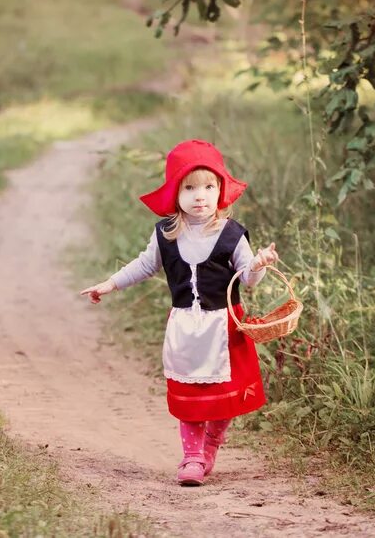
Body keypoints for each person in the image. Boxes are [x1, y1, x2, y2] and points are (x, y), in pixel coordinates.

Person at [80, 139, 279, 486]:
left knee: (226, 398)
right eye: (190, 188)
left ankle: (212, 442)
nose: (200, 196)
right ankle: (192, 457)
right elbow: (145, 265)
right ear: (175, 193)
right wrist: (110, 284)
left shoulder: (232, 235)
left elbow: (248, 278)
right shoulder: (166, 234)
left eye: (208, 187)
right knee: (191, 398)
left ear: (220, 191)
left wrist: (259, 264)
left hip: (225, 326)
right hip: (186, 328)